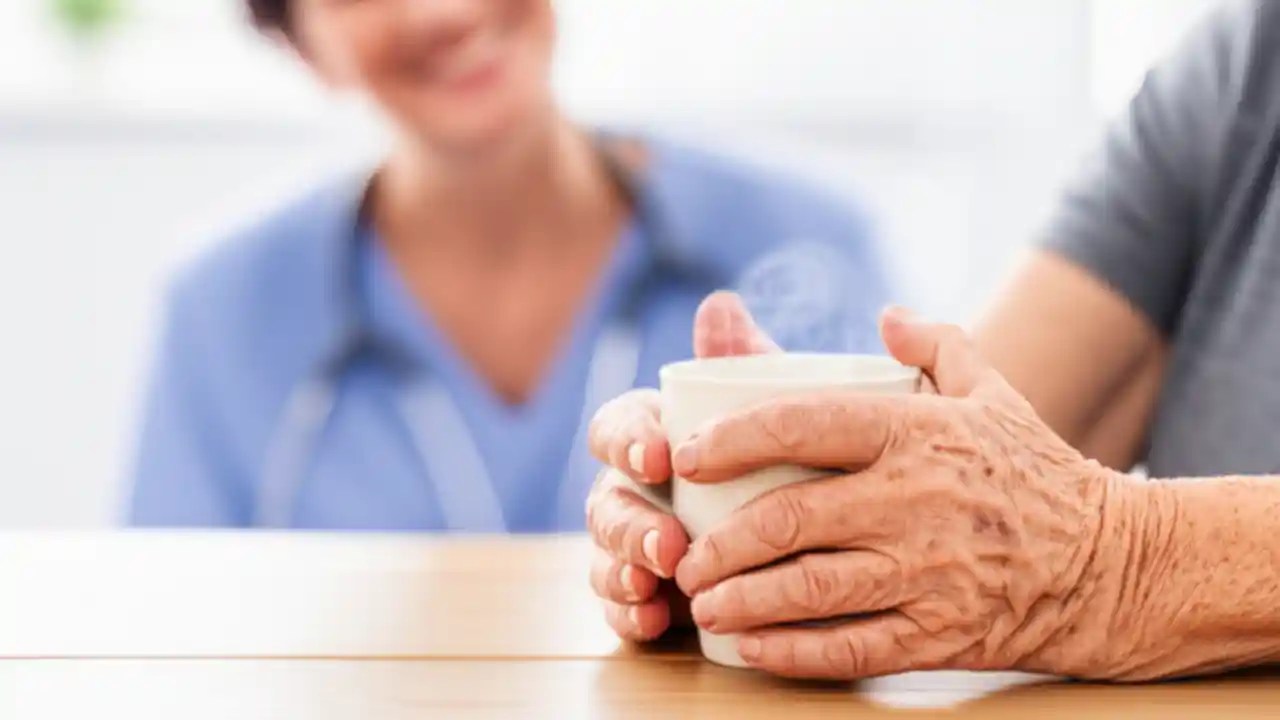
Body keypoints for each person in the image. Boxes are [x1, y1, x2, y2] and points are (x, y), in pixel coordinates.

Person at [585, 0, 1280, 681]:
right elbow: (998, 469)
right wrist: (776, 494)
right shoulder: (1246, 66)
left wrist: (1119, 565)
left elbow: (1056, 541)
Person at [127, 0, 889, 531]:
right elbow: (158, 649)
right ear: (299, 44)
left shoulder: (802, 244)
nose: (442, 10)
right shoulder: (221, 312)